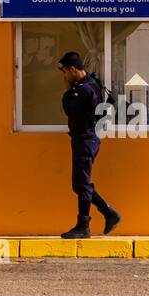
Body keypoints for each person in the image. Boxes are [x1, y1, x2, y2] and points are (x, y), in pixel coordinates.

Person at [57, 51, 121, 239]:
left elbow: (69, 108)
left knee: (81, 184)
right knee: (80, 184)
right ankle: (108, 214)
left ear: (73, 69)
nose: (65, 77)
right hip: (85, 138)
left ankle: (84, 225)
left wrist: (68, 89)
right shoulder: (91, 85)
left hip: (85, 139)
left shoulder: (84, 89)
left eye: (65, 73)